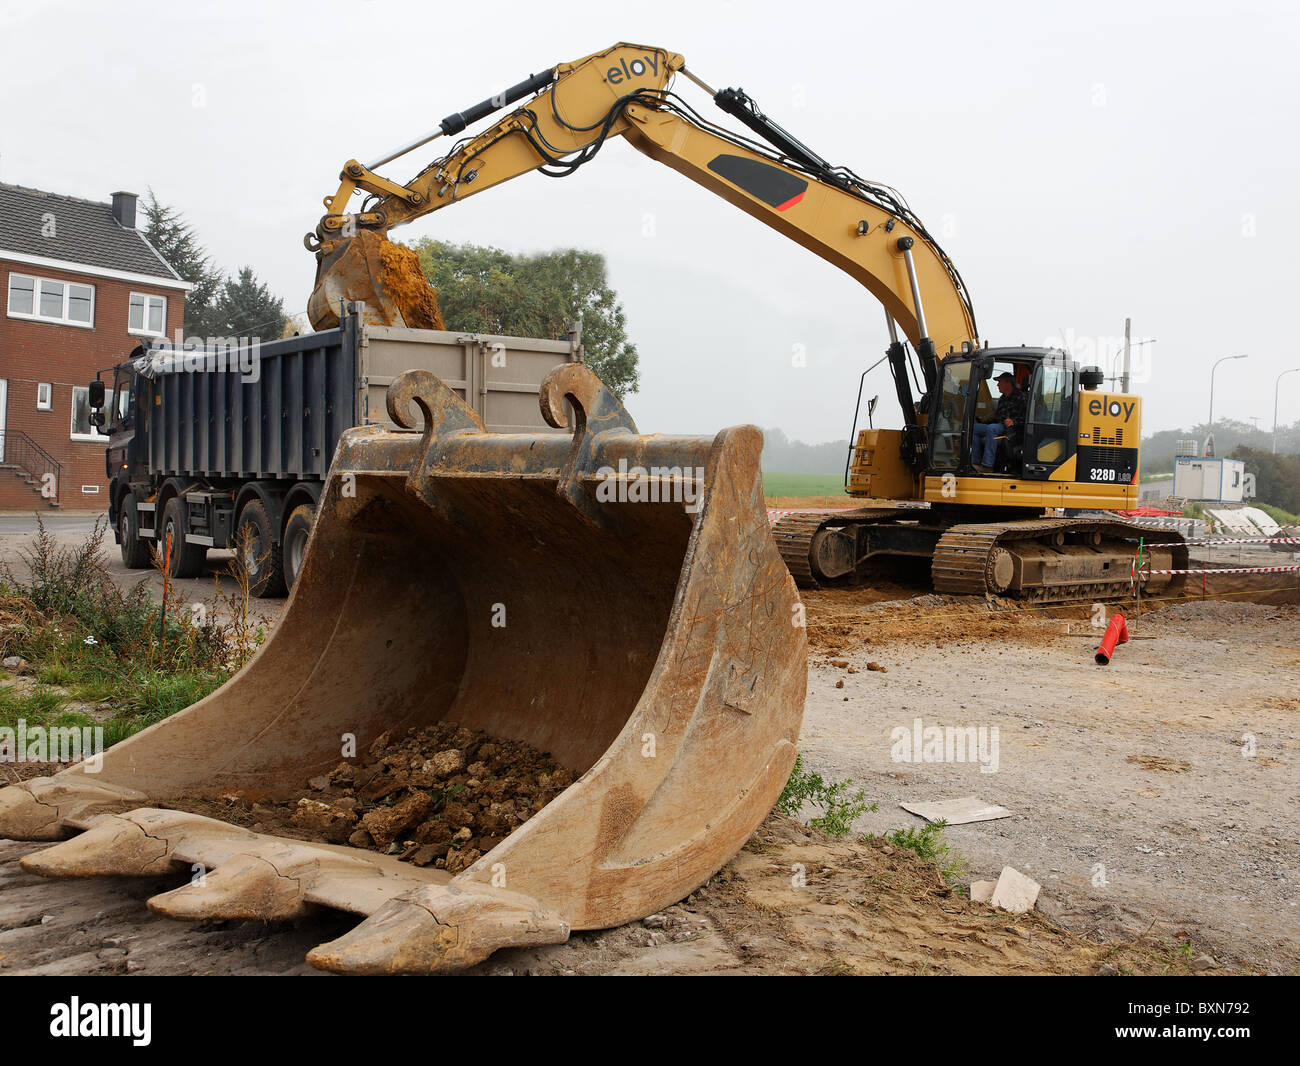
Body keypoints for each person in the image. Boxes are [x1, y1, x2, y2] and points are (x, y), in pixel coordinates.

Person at [972, 372, 1028, 472]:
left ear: (1008, 383)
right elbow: (998, 418)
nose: (997, 385)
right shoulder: (1002, 398)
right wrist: (984, 421)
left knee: (992, 428)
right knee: (975, 428)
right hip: (999, 426)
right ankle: (975, 462)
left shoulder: (1021, 397)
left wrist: (1013, 422)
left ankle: (987, 466)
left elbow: (1026, 419)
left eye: (999, 382)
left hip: (1011, 430)